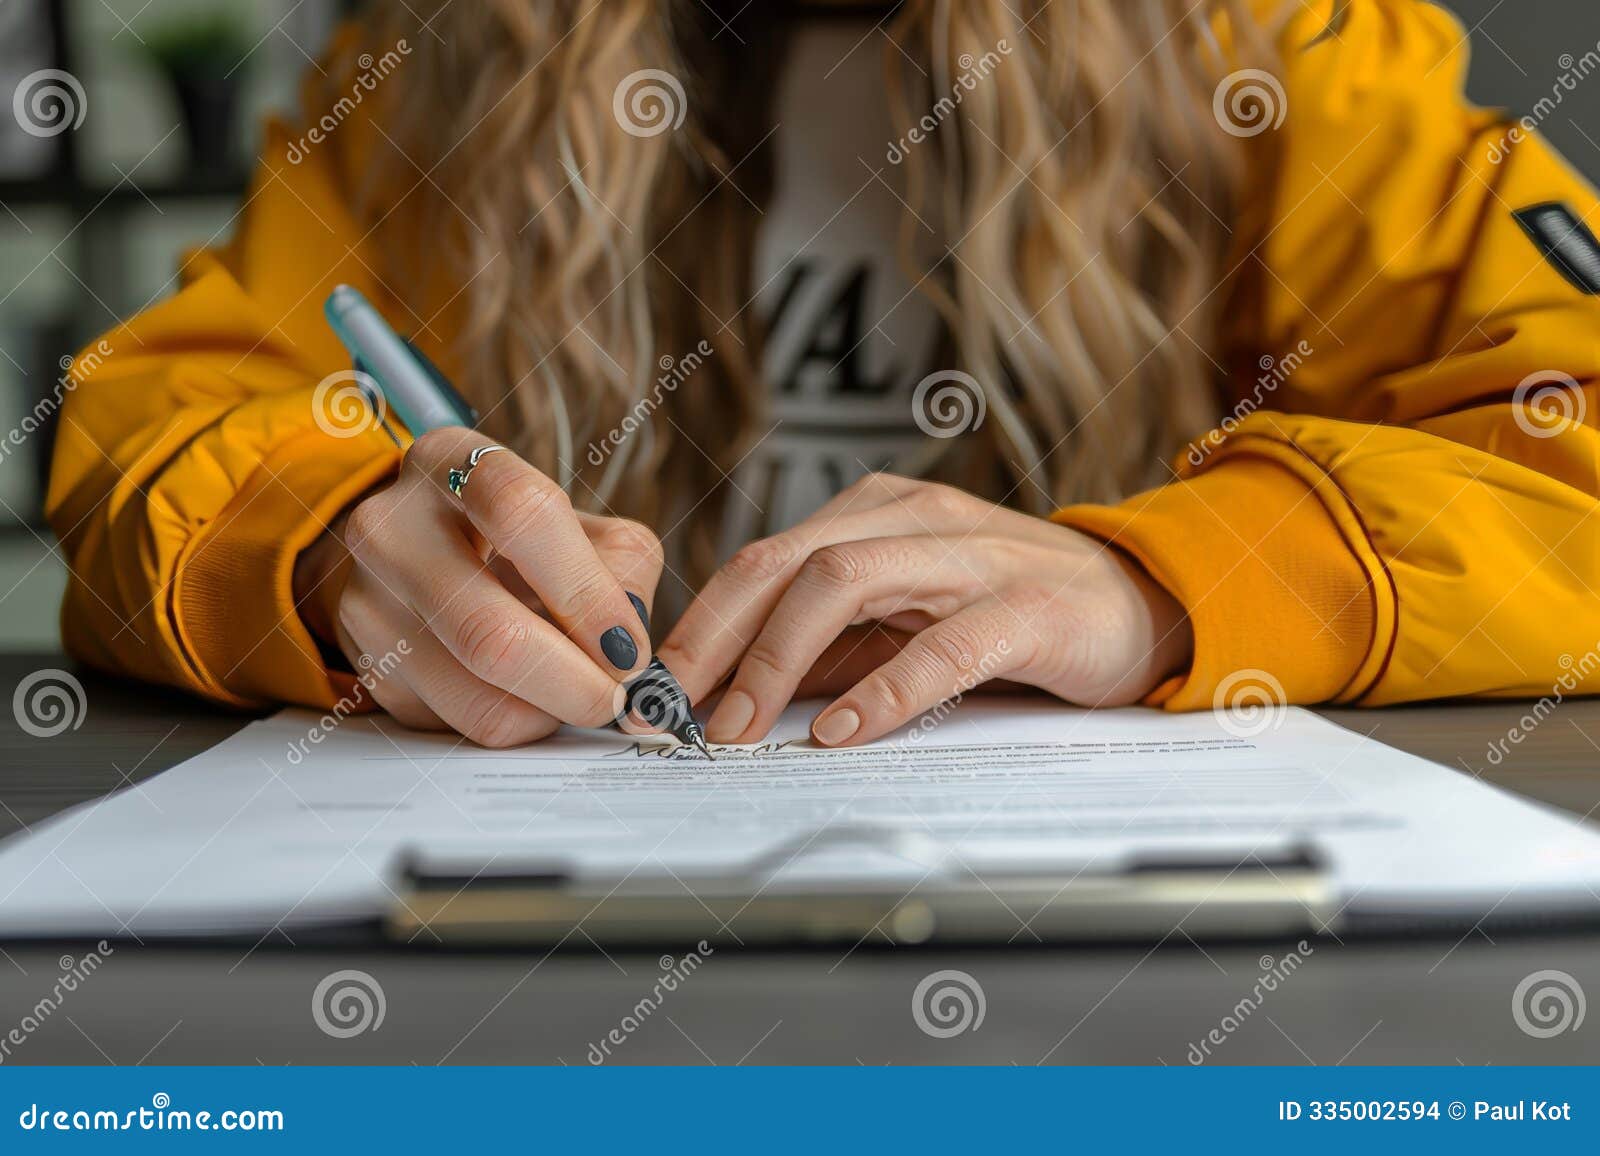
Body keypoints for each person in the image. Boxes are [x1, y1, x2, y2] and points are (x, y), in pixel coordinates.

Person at [47, 0, 1600, 751]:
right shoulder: (438, 60)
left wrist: (1173, 585)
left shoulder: (1279, 43)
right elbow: (166, 413)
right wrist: (316, 547)